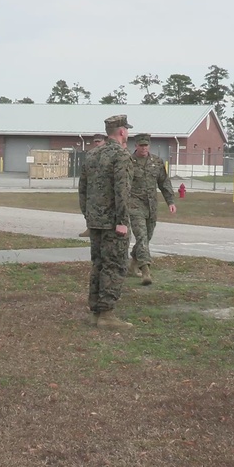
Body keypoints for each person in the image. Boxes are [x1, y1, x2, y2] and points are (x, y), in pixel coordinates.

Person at [78, 115, 133, 330]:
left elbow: (82, 189)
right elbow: (122, 190)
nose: (127, 133)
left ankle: (95, 311)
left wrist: (88, 216)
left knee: (98, 264)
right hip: (112, 222)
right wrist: (122, 221)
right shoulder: (121, 155)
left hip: (95, 221)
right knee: (115, 265)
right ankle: (107, 314)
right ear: (121, 132)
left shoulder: (92, 155)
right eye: (126, 130)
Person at [128, 133, 176, 285]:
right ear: (135, 146)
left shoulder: (156, 161)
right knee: (141, 237)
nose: (144, 148)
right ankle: (146, 272)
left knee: (146, 238)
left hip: (151, 206)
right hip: (134, 205)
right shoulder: (128, 162)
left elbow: (164, 182)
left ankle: (133, 265)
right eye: (141, 145)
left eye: (146, 145)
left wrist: (170, 201)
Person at [78, 134, 107, 238]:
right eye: (95, 141)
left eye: (99, 141)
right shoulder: (90, 154)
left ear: (104, 141)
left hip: (104, 187)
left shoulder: (108, 154)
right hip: (91, 186)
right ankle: (90, 227)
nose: (97, 143)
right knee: (87, 206)